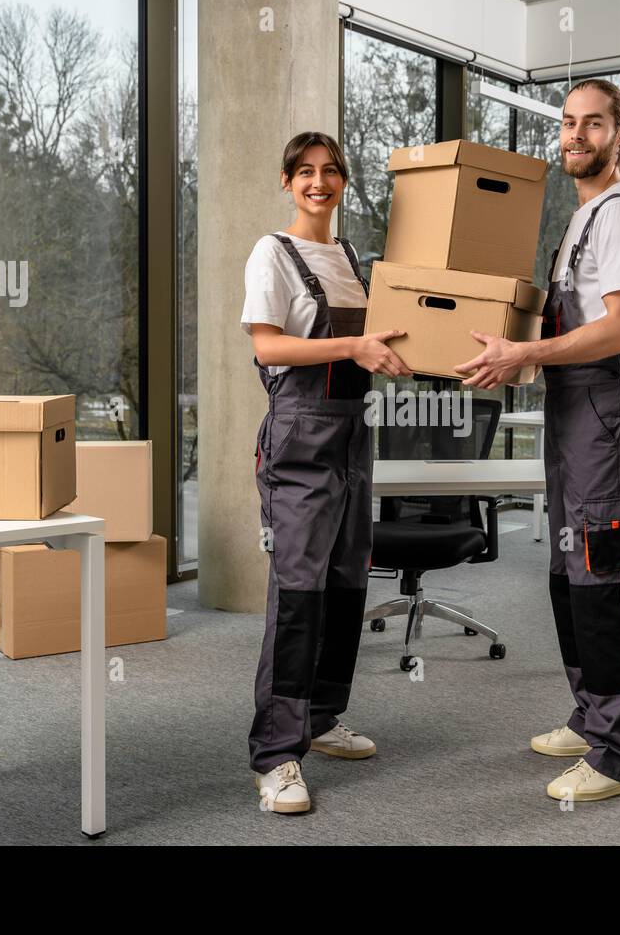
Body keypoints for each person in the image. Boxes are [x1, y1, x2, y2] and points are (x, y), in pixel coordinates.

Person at [455, 79, 620, 803]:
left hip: (605, 410)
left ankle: (619, 755)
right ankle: (592, 714)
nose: (576, 136)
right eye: (568, 123)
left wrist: (525, 358)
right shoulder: (580, 219)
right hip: (572, 408)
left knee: (607, 575)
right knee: (572, 569)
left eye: (593, 124)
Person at [242, 131, 410, 813]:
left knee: (345, 584)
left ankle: (321, 718)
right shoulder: (272, 253)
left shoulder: (346, 256)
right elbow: (269, 343)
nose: (319, 183)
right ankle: (276, 755)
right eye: (306, 172)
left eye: (331, 172)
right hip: (299, 439)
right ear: (287, 181)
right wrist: (355, 343)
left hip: (352, 438)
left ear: (343, 182)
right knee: (299, 593)